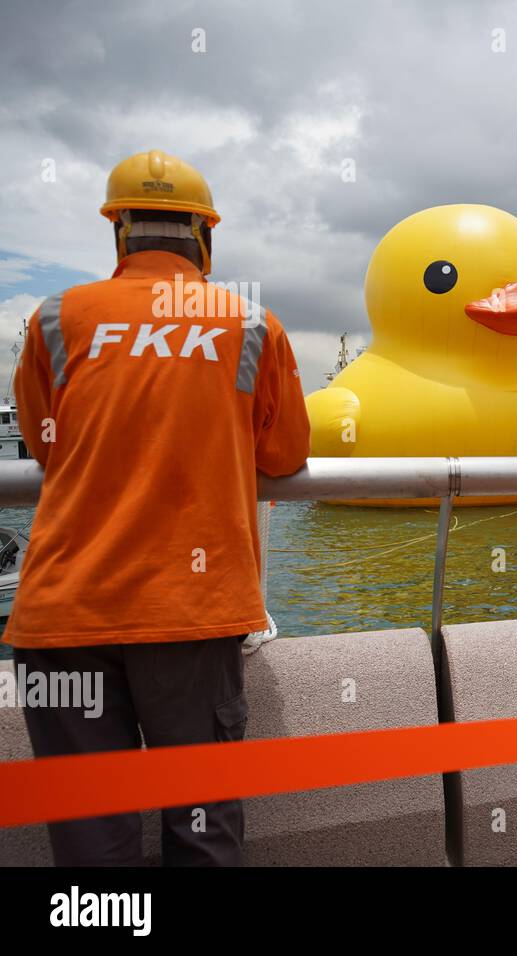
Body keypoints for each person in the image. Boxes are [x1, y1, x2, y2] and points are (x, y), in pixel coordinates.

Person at [4, 149, 311, 865]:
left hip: (62, 616)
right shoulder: (251, 323)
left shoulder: (56, 317)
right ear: (206, 235)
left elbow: (46, 443)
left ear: (118, 231)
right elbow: (285, 456)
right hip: (191, 615)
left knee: (90, 834)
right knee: (202, 825)